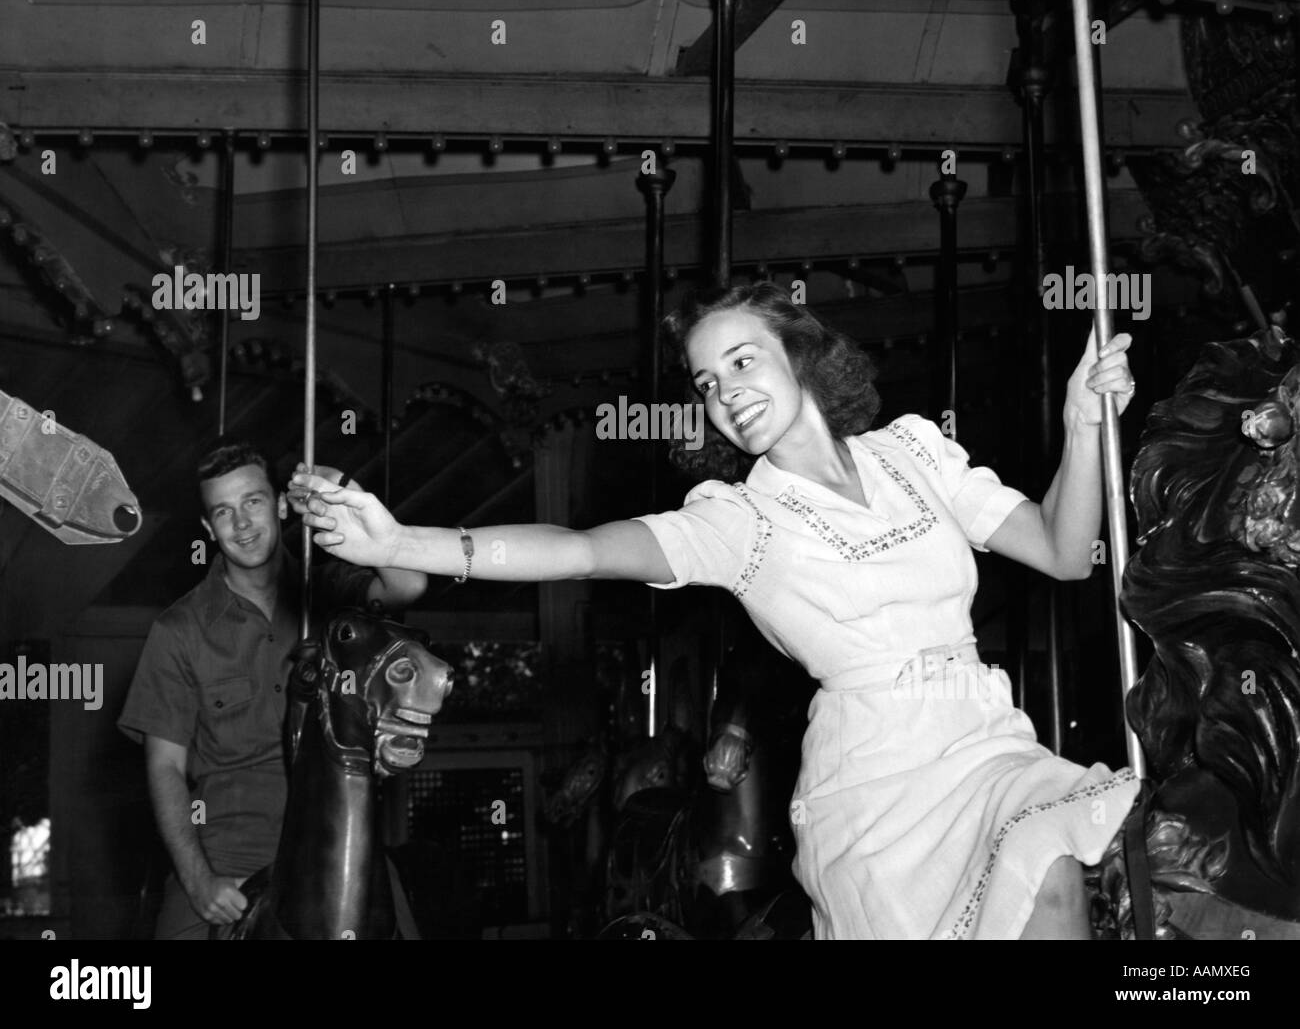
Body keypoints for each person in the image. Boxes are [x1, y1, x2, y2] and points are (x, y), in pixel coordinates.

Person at [291, 281, 1141, 940]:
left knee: (1057, 866)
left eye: (741, 361)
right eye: (705, 380)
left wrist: (1081, 424)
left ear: (797, 354)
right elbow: (582, 548)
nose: (724, 391)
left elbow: (1066, 553)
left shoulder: (915, 450)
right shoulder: (740, 521)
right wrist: (404, 544)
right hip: (879, 778)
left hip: (985, 736)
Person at [118, 439, 427, 939]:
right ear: (207, 529)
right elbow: (165, 767)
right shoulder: (178, 630)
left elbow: (409, 584)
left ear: (282, 505)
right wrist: (198, 882)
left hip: (340, 840)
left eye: (253, 502)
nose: (241, 524)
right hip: (230, 851)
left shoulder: (328, 594)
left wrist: (348, 494)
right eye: (224, 512)